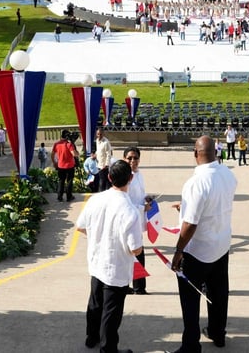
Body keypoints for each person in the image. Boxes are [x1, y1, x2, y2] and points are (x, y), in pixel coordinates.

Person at [171, 136, 237, 351]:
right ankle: (218, 333)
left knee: (190, 300)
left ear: (195, 153)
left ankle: (191, 345)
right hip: (220, 245)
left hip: (198, 251)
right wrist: (187, 208)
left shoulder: (195, 183)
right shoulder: (228, 174)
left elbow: (190, 225)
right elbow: (216, 204)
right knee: (218, 294)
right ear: (216, 153)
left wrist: (178, 251)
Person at [77, 159, 143, 353]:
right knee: (111, 311)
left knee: (95, 302)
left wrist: (100, 237)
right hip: (116, 267)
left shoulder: (96, 199)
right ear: (130, 178)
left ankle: (92, 337)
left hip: (97, 260)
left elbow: (80, 226)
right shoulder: (130, 210)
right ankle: (108, 348)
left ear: (108, 177)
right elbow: (135, 249)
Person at [124, 147, 152, 295]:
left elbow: (140, 194)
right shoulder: (125, 178)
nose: (133, 161)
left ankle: (136, 285)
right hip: (129, 221)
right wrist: (142, 208)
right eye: (130, 158)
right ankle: (138, 286)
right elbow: (125, 203)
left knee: (135, 253)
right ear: (124, 159)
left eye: (135, 158)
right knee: (135, 253)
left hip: (138, 220)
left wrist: (146, 199)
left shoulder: (139, 175)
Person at [52, 130, 78, 202]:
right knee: (69, 181)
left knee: (61, 181)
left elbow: (52, 154)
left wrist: (54, 162)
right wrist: (77, 152)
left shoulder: (56, 144)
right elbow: (74, 154)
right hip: (69, 166)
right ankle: (69, 196)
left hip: (60, 166)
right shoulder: (69, 144)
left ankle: (59, 196)